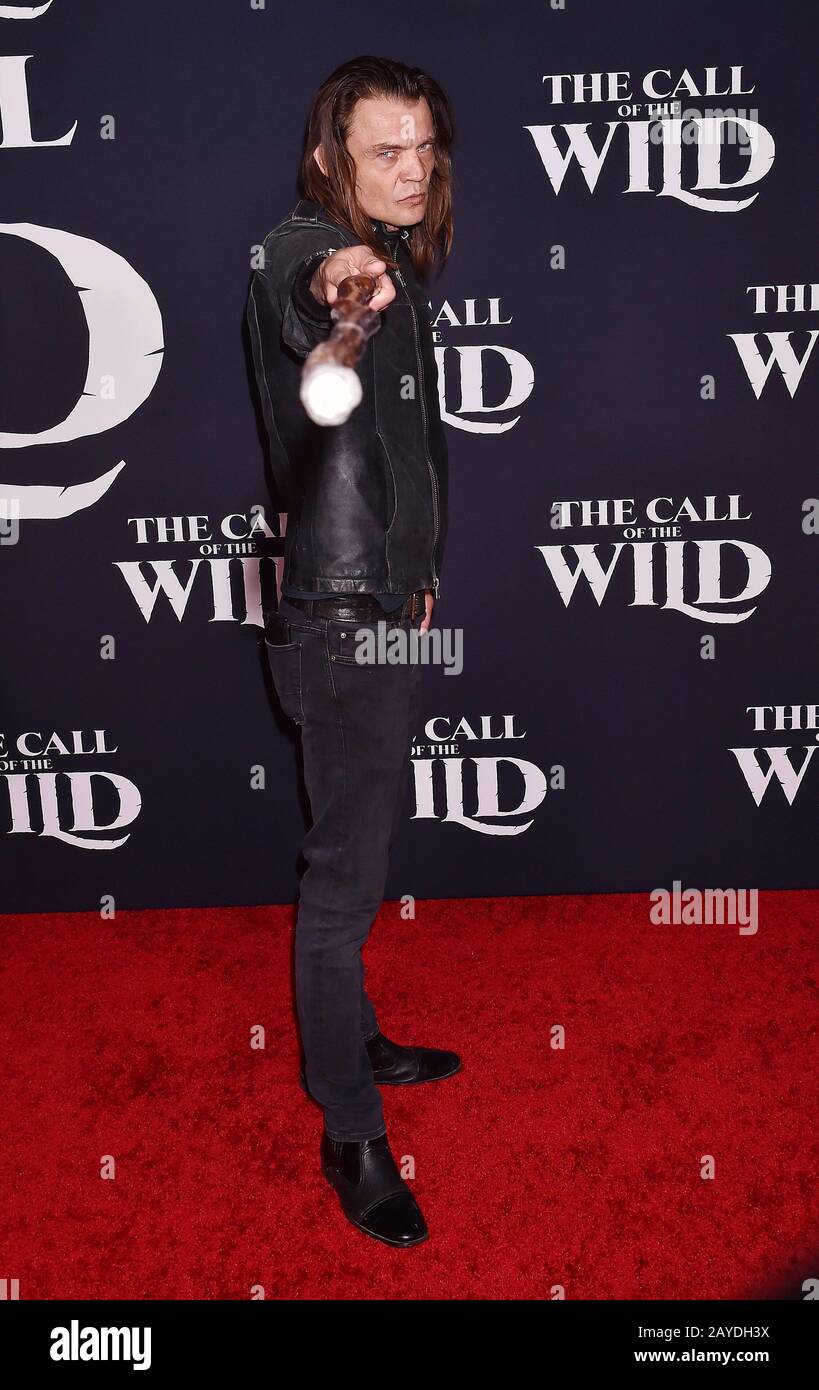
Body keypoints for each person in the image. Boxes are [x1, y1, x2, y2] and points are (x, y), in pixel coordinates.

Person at [246, 55, 460, 1248]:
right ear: (331, 158)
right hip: (338, 624)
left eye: (426, 146)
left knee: (358, 841)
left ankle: (355, 1032)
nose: (415, 170)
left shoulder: (402, 258)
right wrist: (341, 280)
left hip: (375, 605)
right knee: (342, 884)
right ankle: (349, 1126)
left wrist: (418, 578)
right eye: (387, 150)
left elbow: (397, 460)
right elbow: (301, 283)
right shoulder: (314, 250)